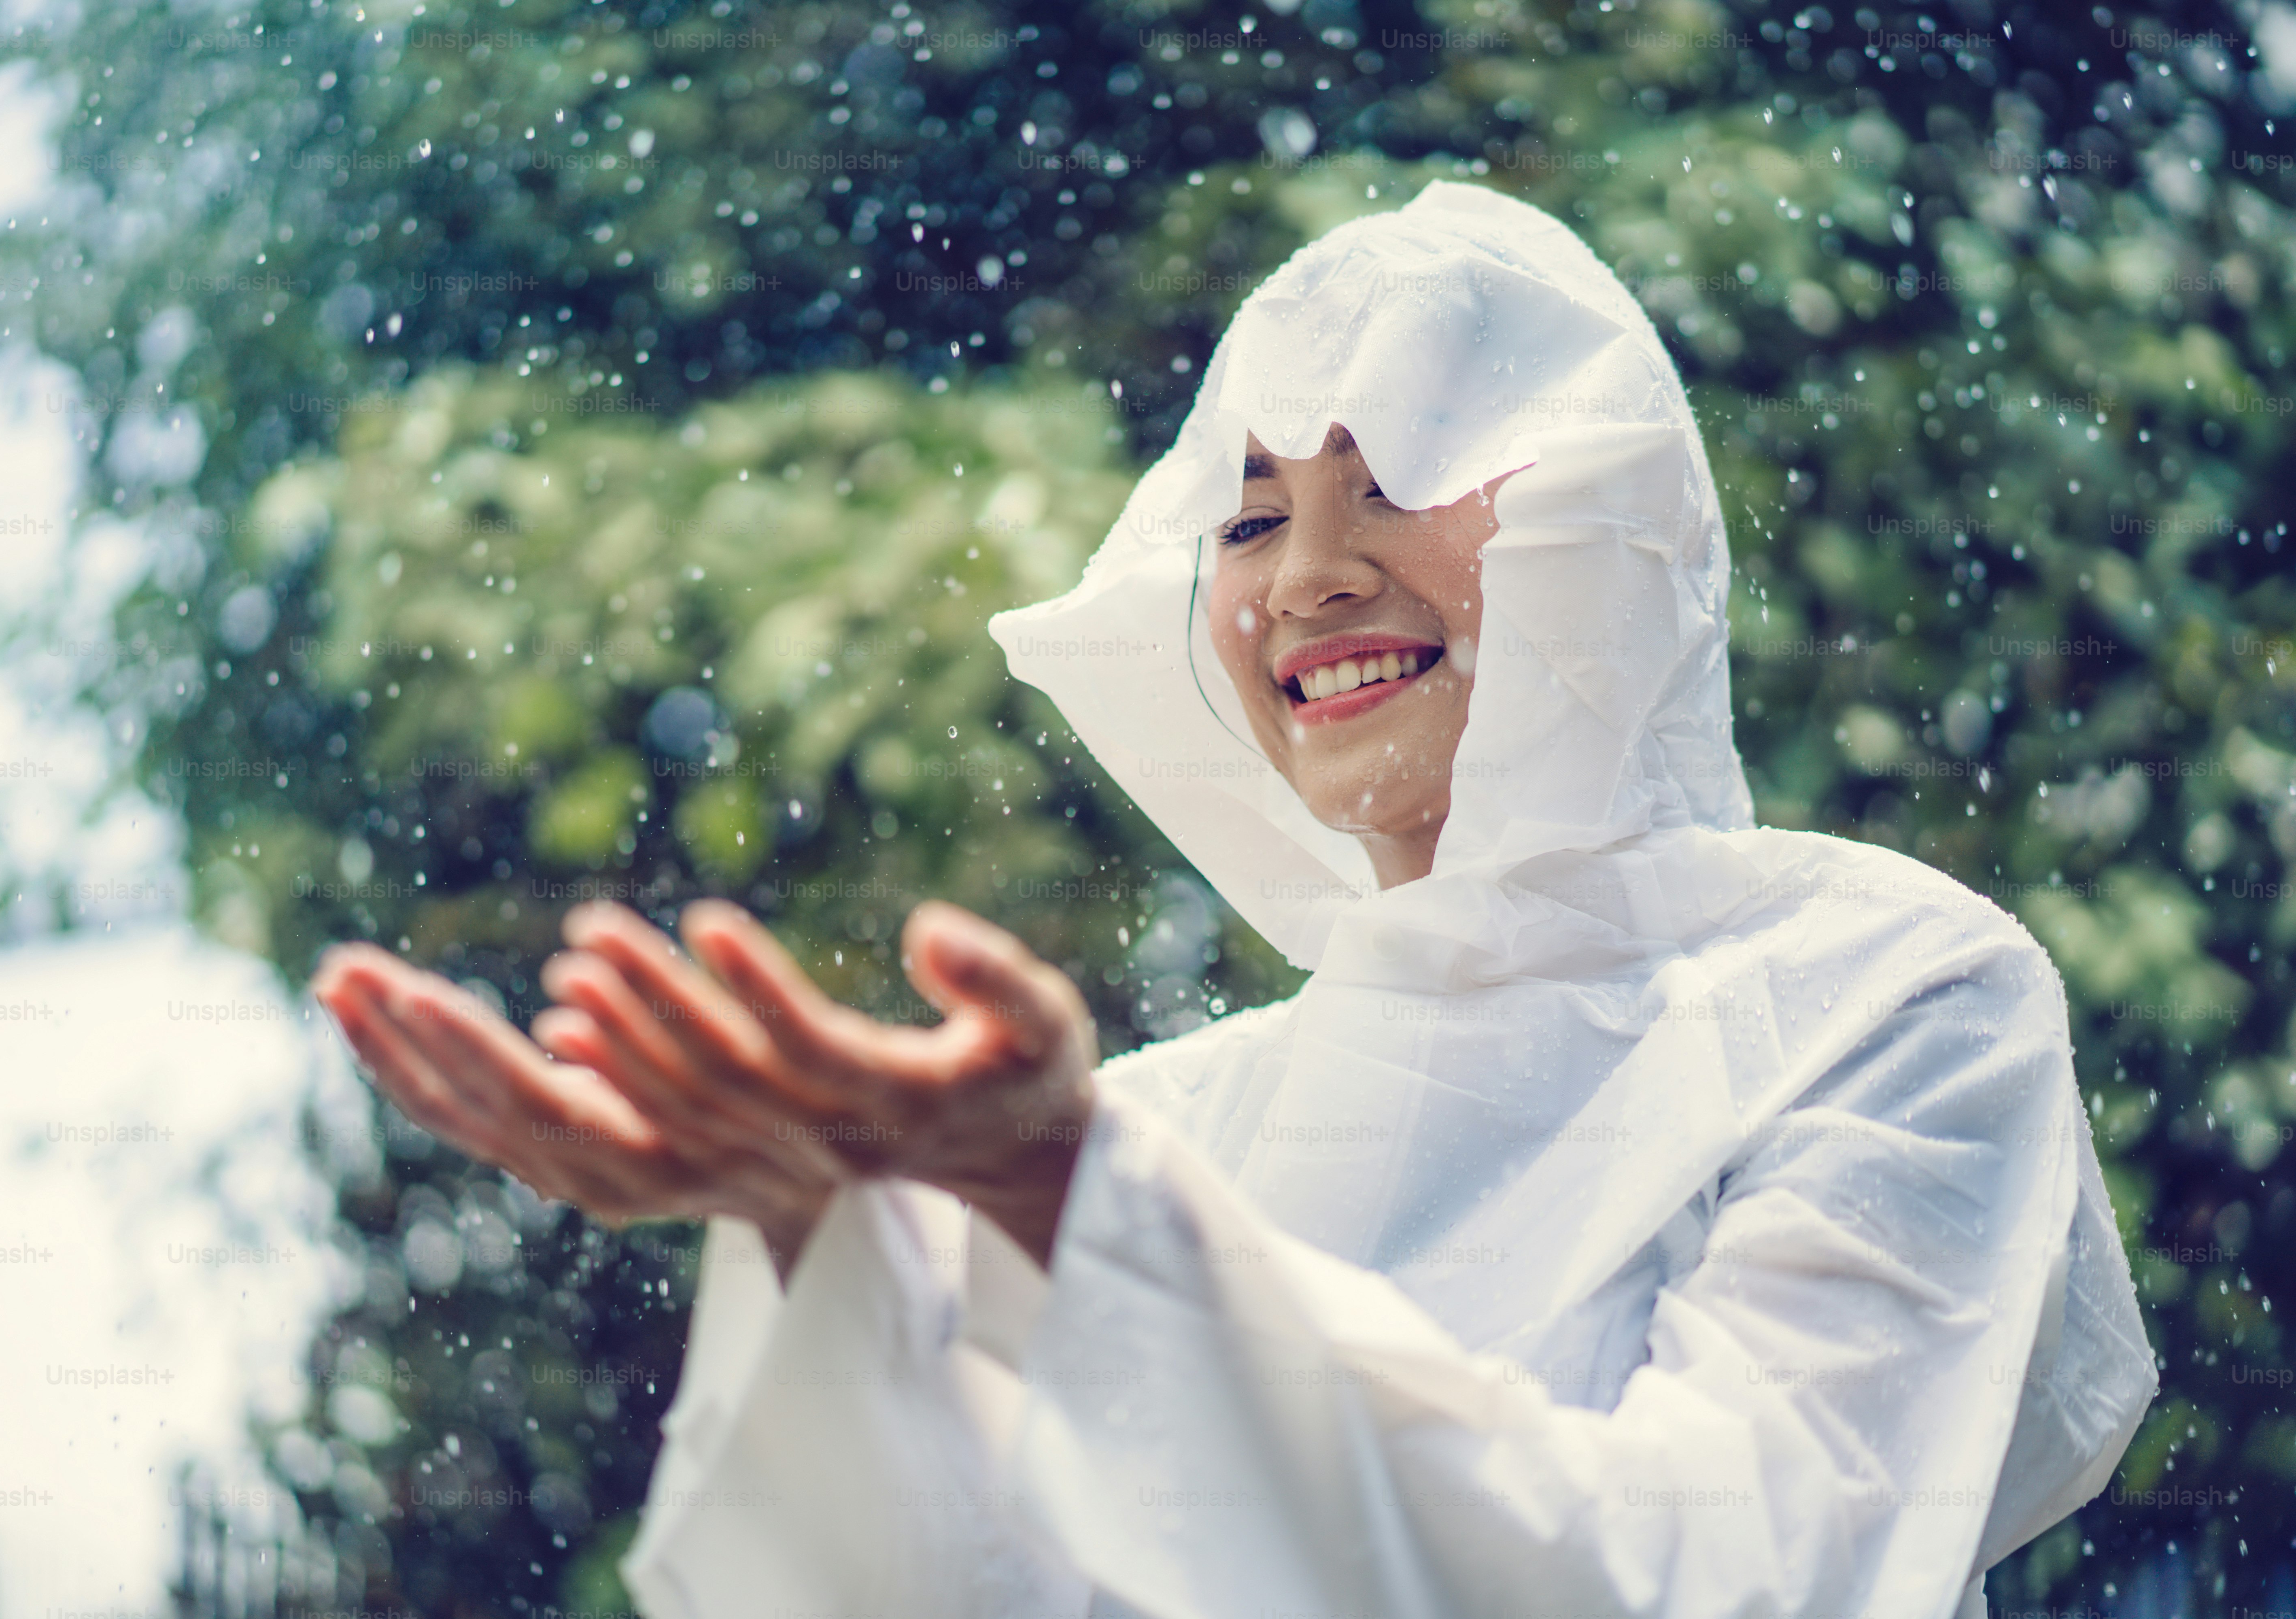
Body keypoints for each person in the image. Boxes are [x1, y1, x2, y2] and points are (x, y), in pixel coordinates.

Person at [313, 180, 2158, 1619]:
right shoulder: (1171, 1123)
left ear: (1629, 521)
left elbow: (1722, 1576)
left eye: (1405, 477)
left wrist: (1083, 1217)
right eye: (1255, 515)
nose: (1312, 579)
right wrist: (824, 1249)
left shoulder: (1886, 992)